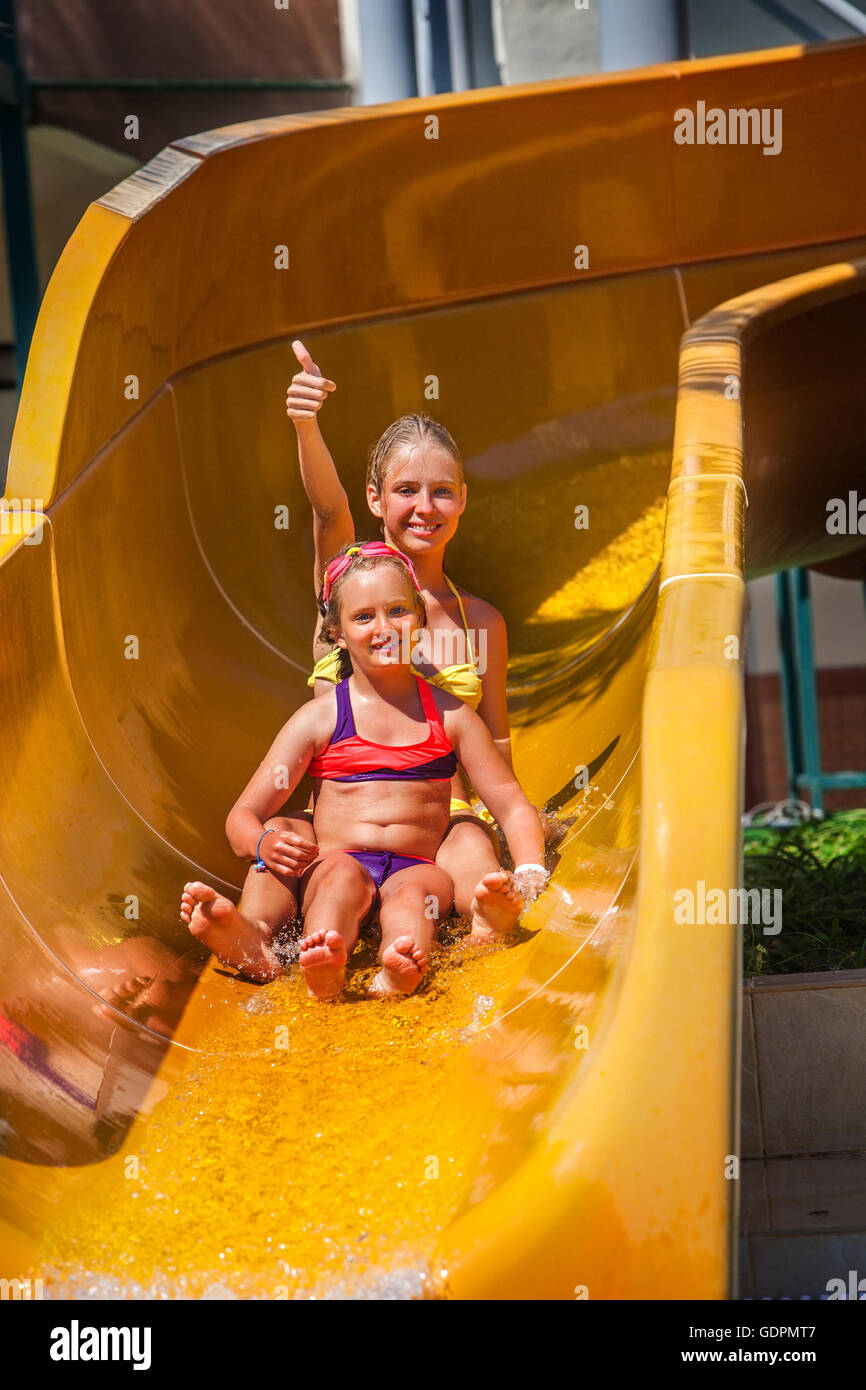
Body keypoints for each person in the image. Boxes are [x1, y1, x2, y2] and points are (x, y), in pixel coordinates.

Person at [180, 545, 546, 998]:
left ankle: (399, 966)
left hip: (417, 864)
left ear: (420, 617)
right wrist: (263, 842)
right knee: (329, 876)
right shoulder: (320, 719)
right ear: (337, 633)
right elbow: (244, 816)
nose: (384, 628)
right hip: (340, 859)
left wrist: (530, 872)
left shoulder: (451, 717)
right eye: (364, 617)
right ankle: (281, 946)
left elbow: (510, 803)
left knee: (415, 898)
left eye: (397, 611)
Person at [273, 339, 546, 938]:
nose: (425, 507)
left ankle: (486, 923)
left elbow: (495, 738)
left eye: (443, 490)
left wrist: (515, 826)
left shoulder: (481, 622)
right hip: (348, 828)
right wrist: (305, 423)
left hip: (443, 825)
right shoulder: (345, 589)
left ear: (463, 500)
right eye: (406, 491)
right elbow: (325, 510)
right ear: (375, 499)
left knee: (478, 869)